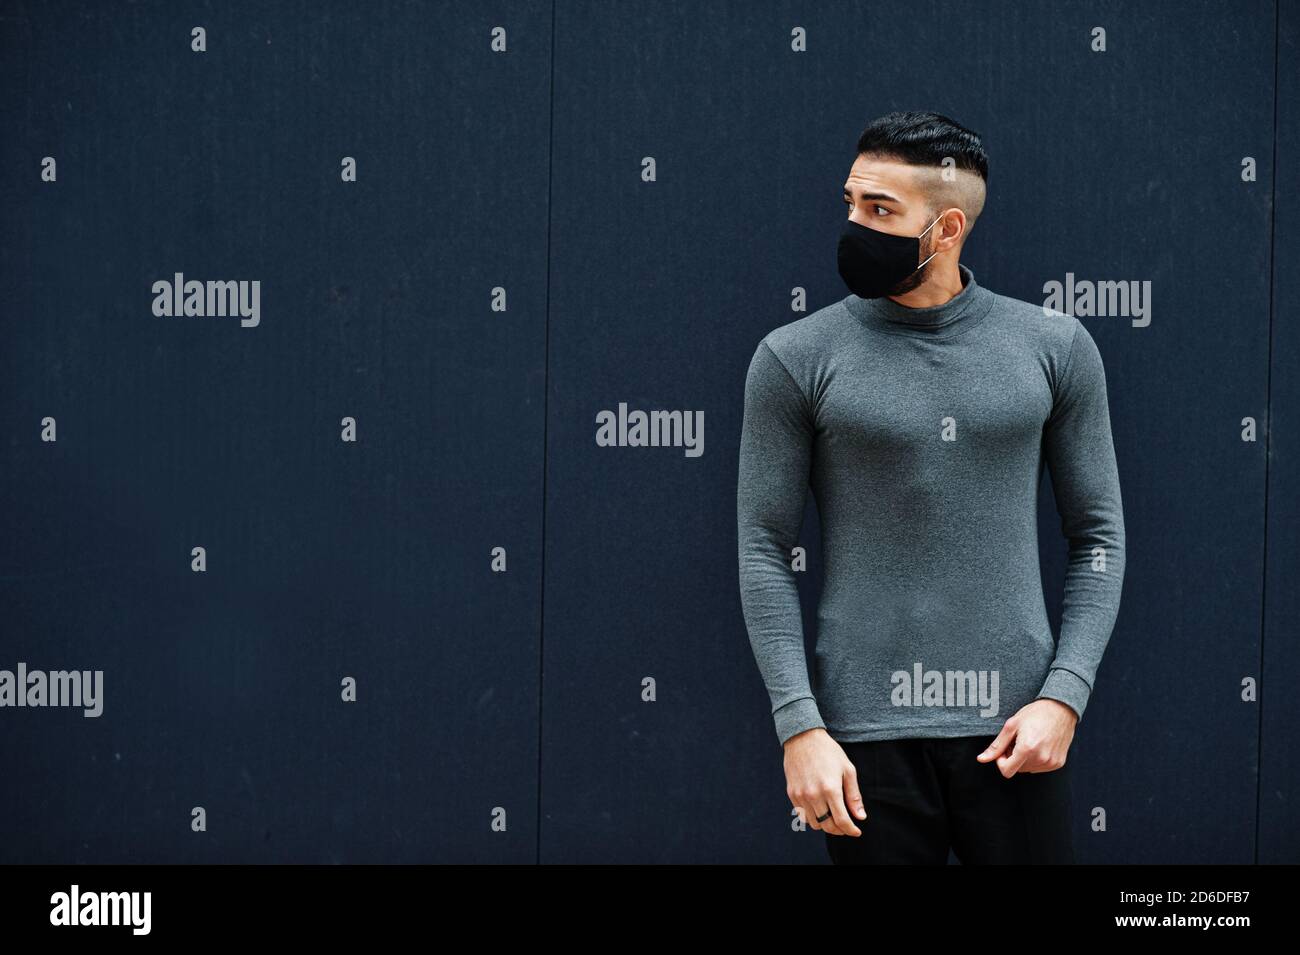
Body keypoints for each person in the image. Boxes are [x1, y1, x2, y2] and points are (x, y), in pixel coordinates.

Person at [736, 111, 1125, 864]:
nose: (855, 224)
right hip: (861, 750)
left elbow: (1099, 538)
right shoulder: (793, 357)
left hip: (1016, 737)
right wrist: (799, 726)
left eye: (880, 210)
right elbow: (762, 549)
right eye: (851, 202)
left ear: (947, 228)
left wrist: (1064, 696)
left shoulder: (1055, 347)